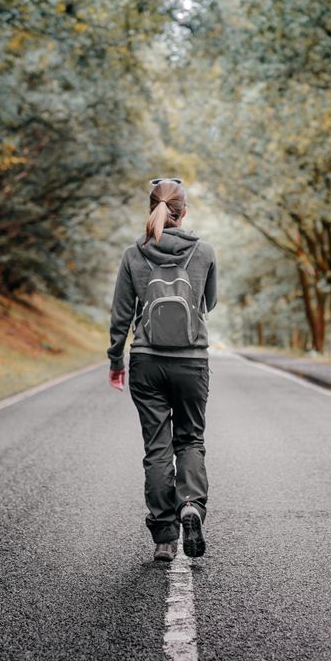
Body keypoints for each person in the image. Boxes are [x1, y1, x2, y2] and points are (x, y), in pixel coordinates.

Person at [108, 178, 217, 562]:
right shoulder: (202, 251)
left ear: (150, 209)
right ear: (183, 211)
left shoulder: (133, 254)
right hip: (192, 360)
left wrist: (115, 360)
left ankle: (165, 538)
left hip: (147, 360)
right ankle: (191, 506)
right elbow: (210, 302)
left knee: (157, 447)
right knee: (189, 439)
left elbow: (122, 314)